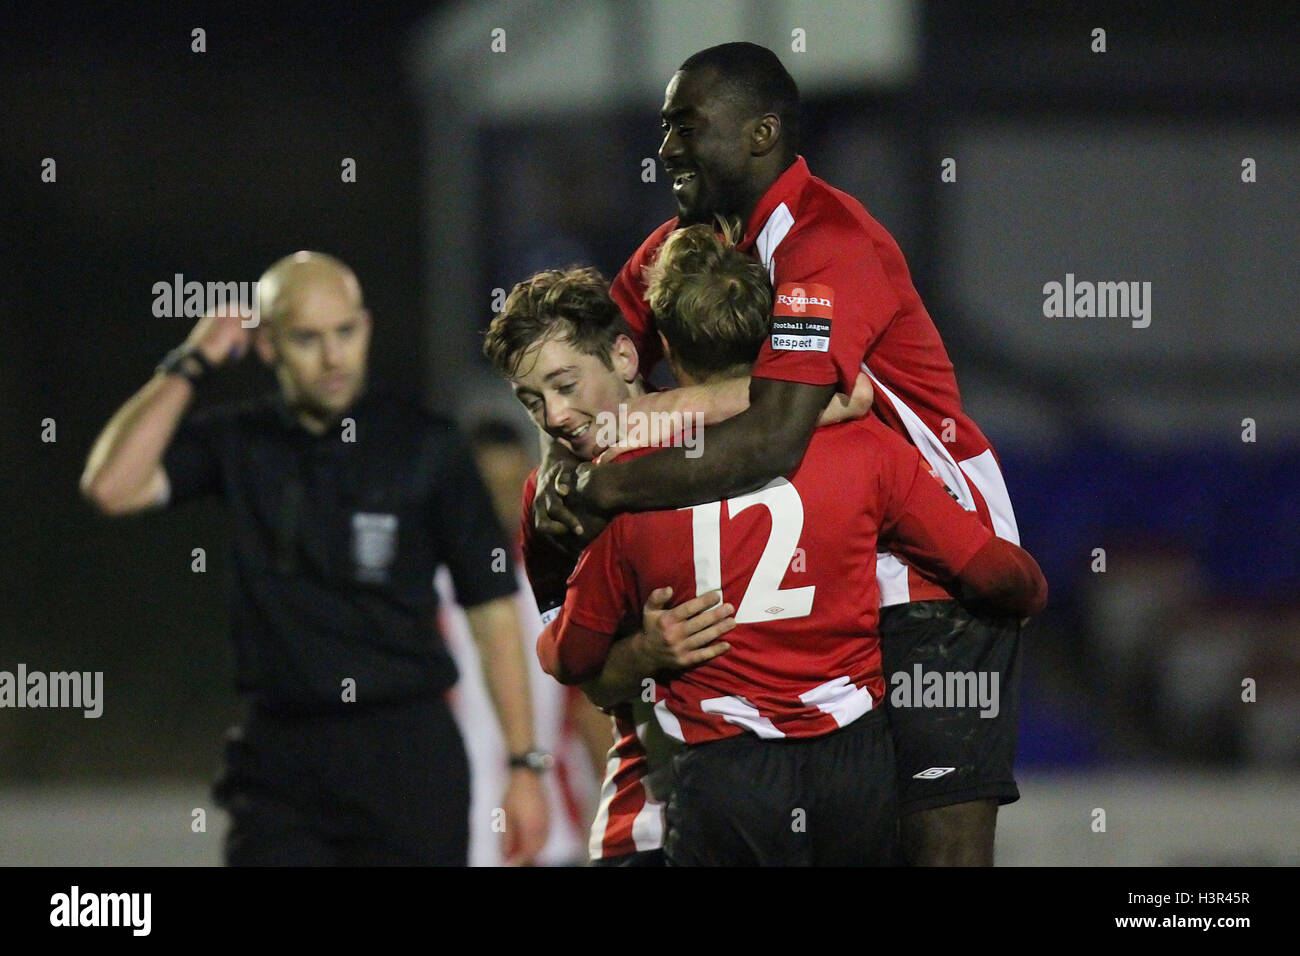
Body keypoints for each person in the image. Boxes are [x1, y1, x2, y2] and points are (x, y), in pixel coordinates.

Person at [540, 42, 1029, 866]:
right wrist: (572, 448)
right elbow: (594, 367)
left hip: (926, 576)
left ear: (762, 133)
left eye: (687, 128)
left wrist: (607, 482)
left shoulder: (826, 243)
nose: (665, 151)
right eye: (665, 129)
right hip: (820, 559)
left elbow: (772, 436)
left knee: (936, 853)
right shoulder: (685, 251)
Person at [80, 251, 548, 865]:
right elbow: (112, 486)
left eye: (344, 333)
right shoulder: (242, 442)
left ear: (366, 328)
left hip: (405, 752)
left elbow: (491, 611)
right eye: (306, 339)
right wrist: (192, 363)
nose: (332, 358)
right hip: (282, 758)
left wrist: (523, 764)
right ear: (267, 346)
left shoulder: (426, 446)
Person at [483, 264, 867, 865]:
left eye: (565, 384)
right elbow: (583, 678)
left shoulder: (724, 432)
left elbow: (850, 394)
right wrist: (643, 655)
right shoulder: (550, 504)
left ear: (623, 357)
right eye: (533, 401)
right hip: (654, 808)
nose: (554, 416)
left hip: (811, 786)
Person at [438, 418, 605, 865]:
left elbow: (585, 709)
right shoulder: (429, 590)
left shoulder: (563, 585)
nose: (502, 503)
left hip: (554, 837)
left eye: (515, 485)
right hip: (455, 836)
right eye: (487, 487)